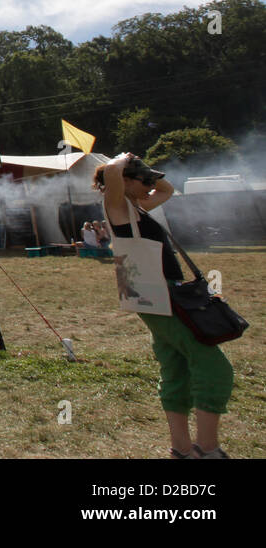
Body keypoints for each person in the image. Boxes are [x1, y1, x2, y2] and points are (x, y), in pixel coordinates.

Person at [95, 152, 233, 458]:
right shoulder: (117, 206)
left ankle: (182, 450)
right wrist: (120, 159)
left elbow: (168, 190)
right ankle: (208, 449)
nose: (150, 186)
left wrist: (147, 172)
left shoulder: (134, 207)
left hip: (158, 294)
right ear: (125, 182)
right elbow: (113, 175)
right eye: (143, 181)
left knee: (176, 368)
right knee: (214, 367)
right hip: (158, 294)